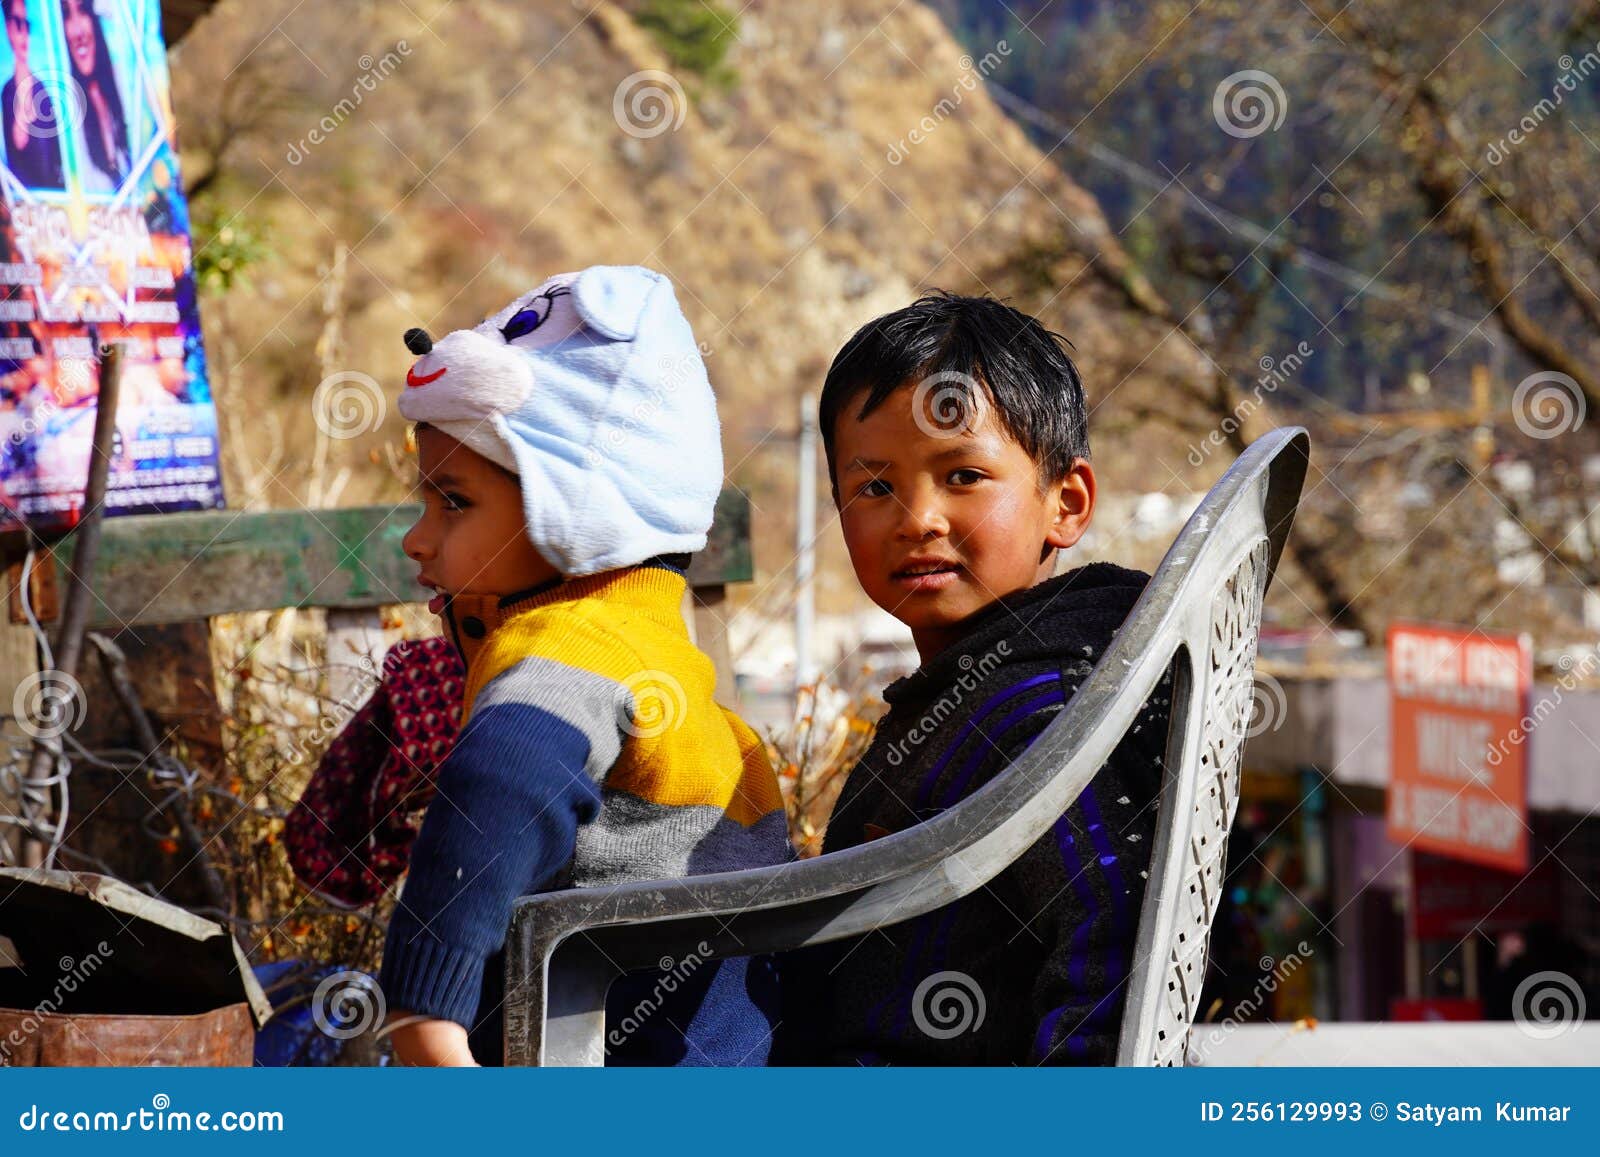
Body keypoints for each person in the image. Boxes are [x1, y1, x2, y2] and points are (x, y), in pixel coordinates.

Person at [377, 266, 790, 1067]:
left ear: (574, 510)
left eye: (453, 501)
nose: (416, 539)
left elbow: (497, 781)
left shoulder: (567, 645)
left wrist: (421, 1020)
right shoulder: (661, 657)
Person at [776, 292, 1173, 1065]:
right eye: (875, 487)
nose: (917, 517)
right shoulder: (970, 691)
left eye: (962, 474)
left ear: (1067, 502)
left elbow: (1111, 950)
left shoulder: (1050, 706)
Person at [61, 0, 127, 193]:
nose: (78, 32)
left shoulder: (126, 85)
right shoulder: (61, 115)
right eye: (67, 16)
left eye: (83, 12)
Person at [3, 0, 63, 188]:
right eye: (18, 24)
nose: (24, 35)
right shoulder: (6, 94)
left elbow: (56, 156)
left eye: (27, 25)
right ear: (8, 28)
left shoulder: (43, 91)